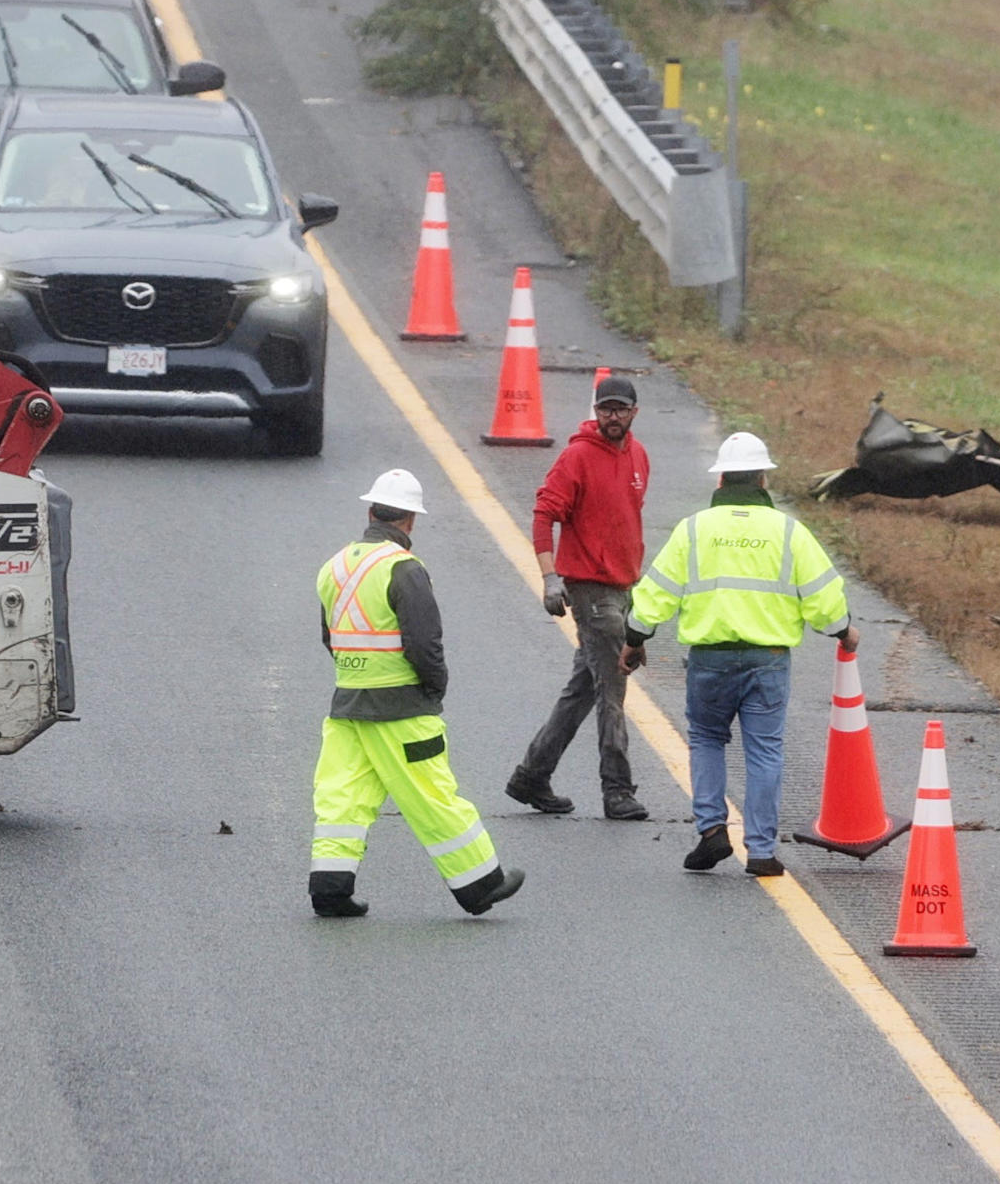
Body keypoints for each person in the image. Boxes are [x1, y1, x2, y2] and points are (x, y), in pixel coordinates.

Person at [629, 429, 856, 877]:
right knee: (765, 752)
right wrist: (843, 631)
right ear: (762, 481)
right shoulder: (788, 531)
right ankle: (762, 850)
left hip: (709, 661)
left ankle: (712, 830)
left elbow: (655, 593)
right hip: (768, 660)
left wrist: (635, 639)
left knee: (707, 740)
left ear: (720, 481)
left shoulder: (693, 530)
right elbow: (823, 597)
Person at [309, 468, 524, 922]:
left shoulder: (335, 566)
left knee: (341, 799)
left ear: (371, 511)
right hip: (402, 708)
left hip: (348, 705)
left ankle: (330, 887)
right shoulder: (403, 568)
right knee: (433, 795)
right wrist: (434, 686)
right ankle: (481, 884)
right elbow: (424, 643)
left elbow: (330, 637)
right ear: (410, 521)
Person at [508, 371, 652, 821]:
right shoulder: (576, 457)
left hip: (624, 588)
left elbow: (626, 523)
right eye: (604, 408)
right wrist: (550, 577)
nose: (612, 416)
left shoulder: (640, 456)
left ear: (634, 413)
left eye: (620, 409)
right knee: (613, 684)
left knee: (583, 690)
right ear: (596, 411)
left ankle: (532, 775)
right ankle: (617, 790)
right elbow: (543, 516)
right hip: (589, 590)